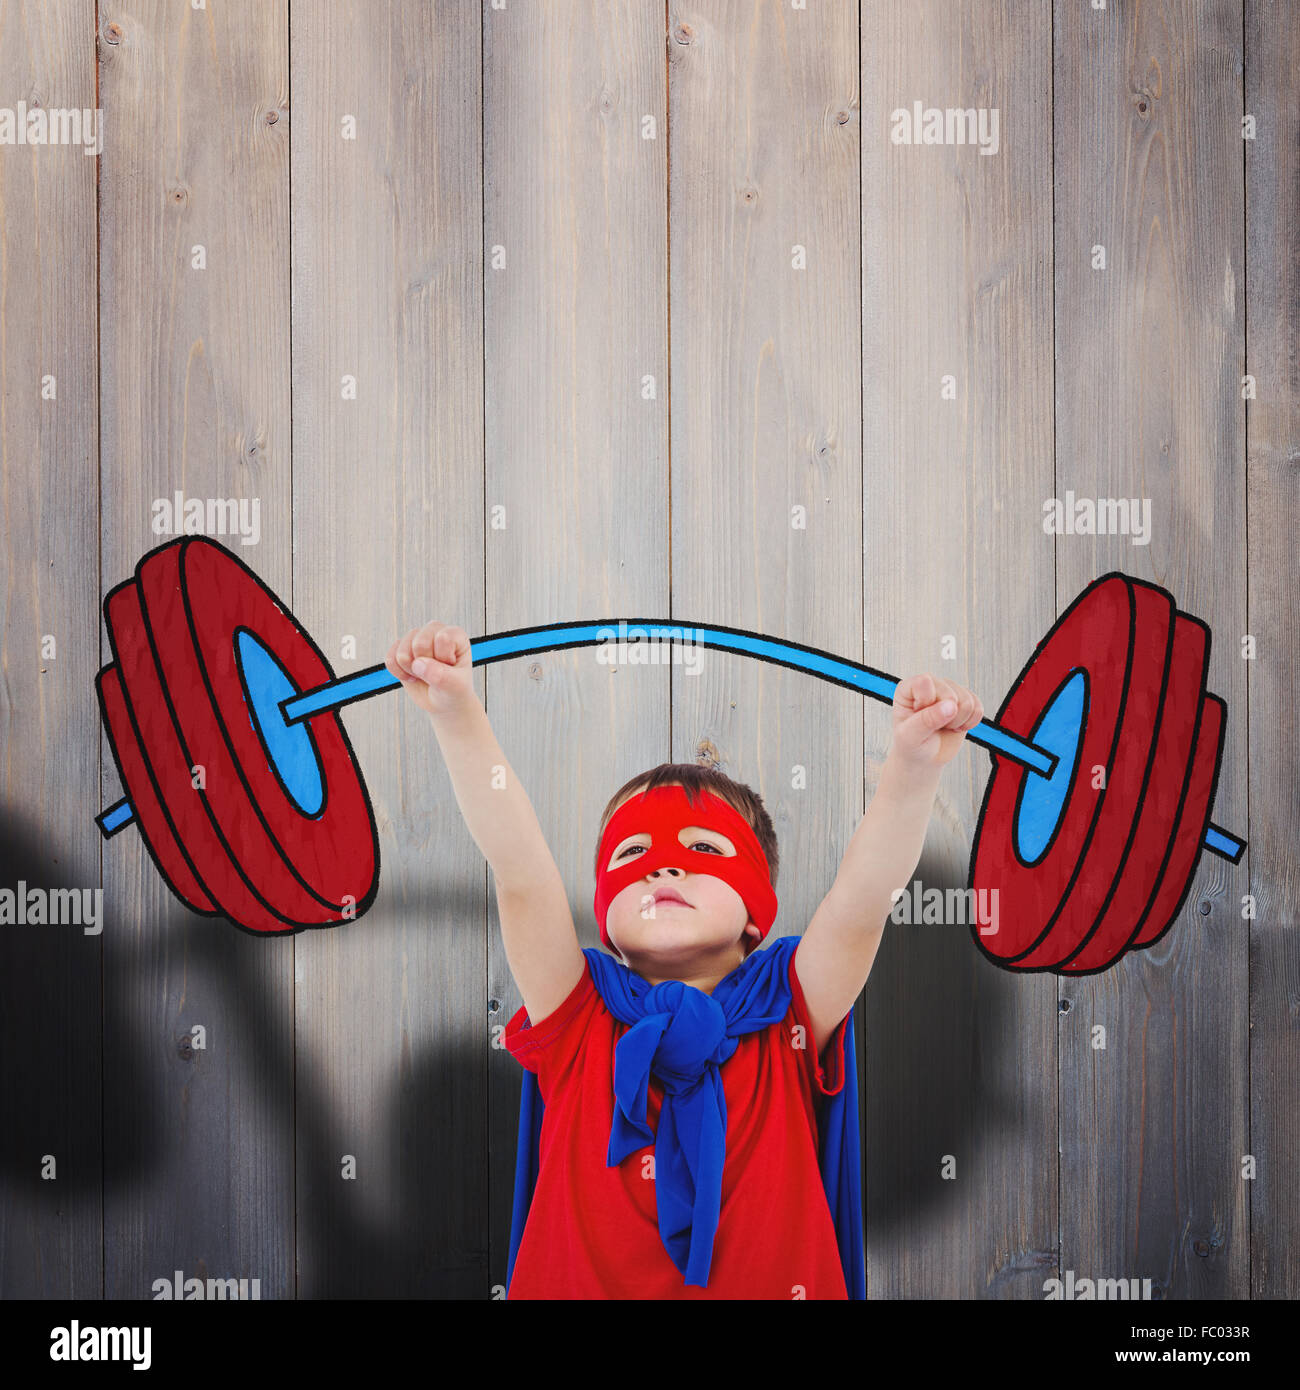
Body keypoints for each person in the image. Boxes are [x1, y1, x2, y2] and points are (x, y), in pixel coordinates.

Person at [386, 620, 983, 1299]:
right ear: (606, 913)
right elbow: (520, 870)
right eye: (633, 855)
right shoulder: (577, 1010)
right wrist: (458, 716)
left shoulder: (787, 1003)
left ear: (757, 911)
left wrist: (912, 767)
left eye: (704, 850)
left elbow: (863, 899)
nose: (662, 866)